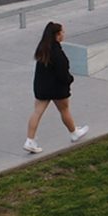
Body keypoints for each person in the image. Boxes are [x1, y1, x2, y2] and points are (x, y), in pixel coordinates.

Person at [24, 21, 88, 154]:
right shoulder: (57, 53)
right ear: (57, 35)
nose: (64, 34)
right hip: (57, 89)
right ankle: (74, 132)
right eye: (62, 32)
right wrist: (70, 80)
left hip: (42, 87)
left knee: (37, 112)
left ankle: (30, 140)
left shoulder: (42, 49)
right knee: (64, 110)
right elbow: (62, 74)